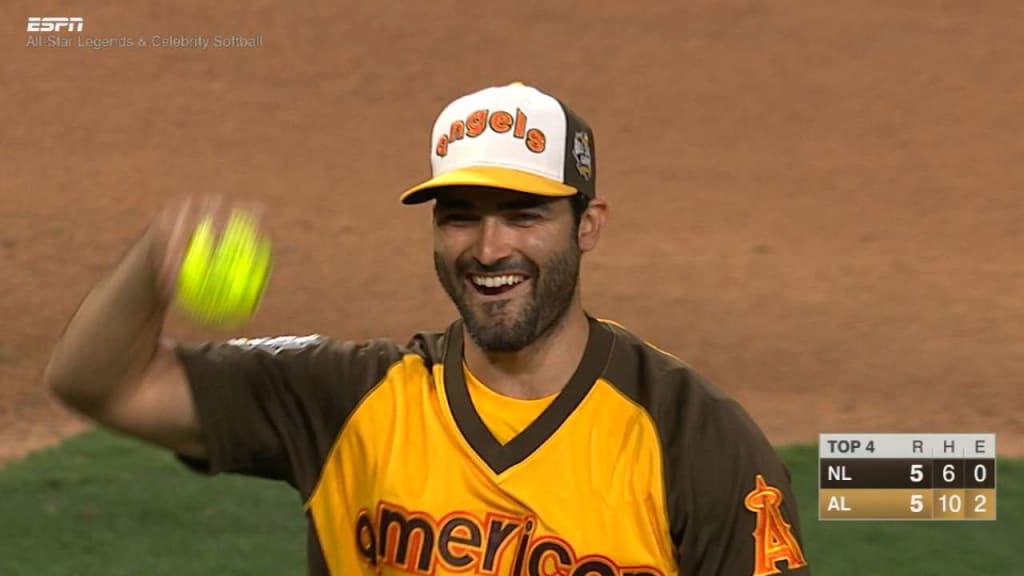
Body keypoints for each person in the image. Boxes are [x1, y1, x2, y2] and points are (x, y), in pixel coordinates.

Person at [45, 82, 810, 576]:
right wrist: (150, 266)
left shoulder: (692, 438)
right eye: (460, 217)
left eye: (524, 214)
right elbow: (98, 382)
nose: (489, 249)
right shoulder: (345, 398)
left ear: (588, 225)